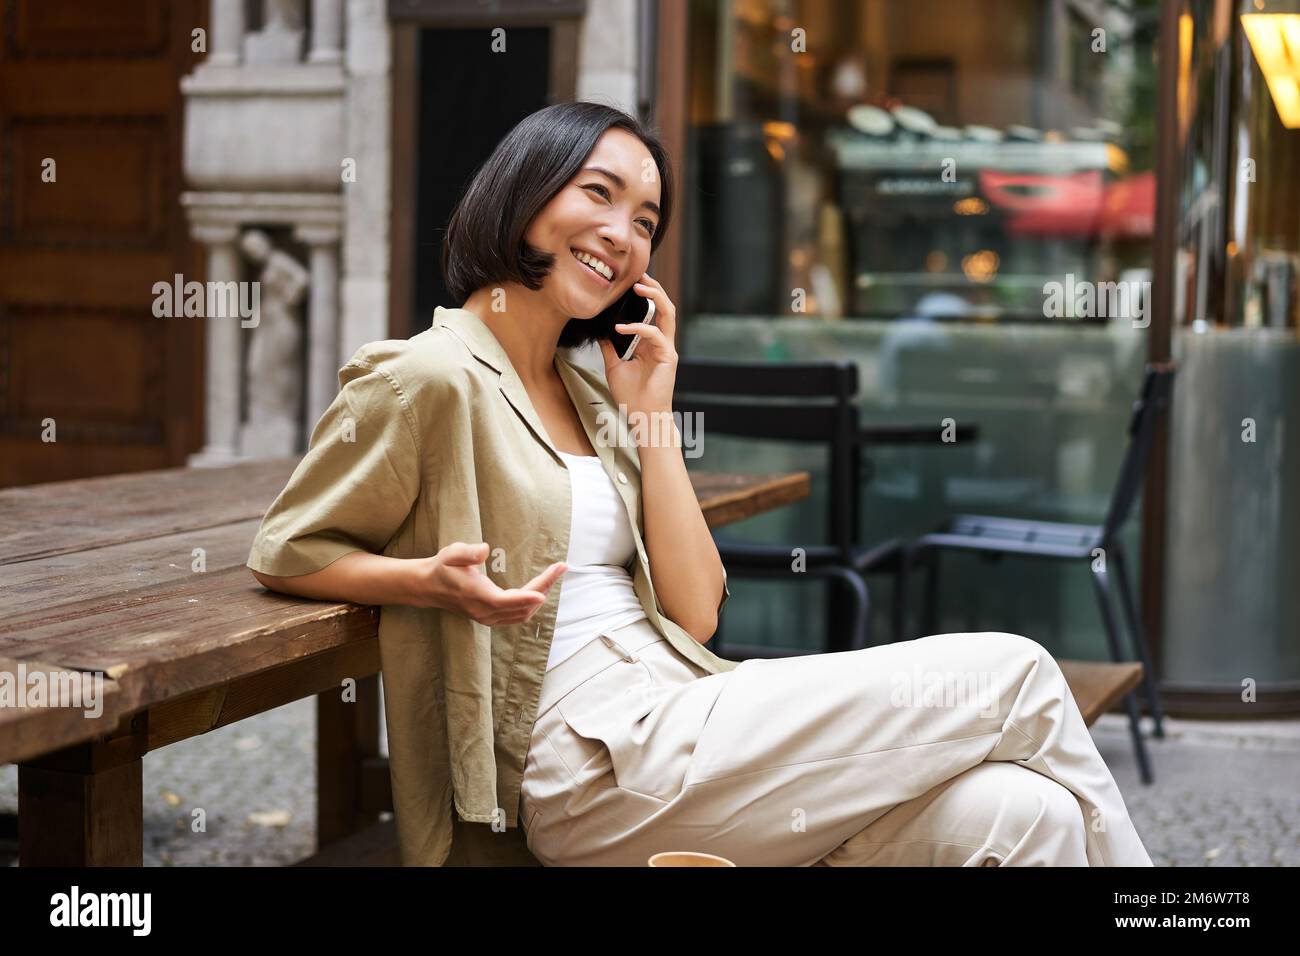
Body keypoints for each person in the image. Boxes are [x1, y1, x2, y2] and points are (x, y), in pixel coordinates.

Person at [246, 101, 1154, 867]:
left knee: (1018, 814)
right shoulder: (429, 376)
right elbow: (288, 548)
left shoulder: (598, 393)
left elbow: (696, 614)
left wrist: (652, 414)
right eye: (597, 194)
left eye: (644, 221)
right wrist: (426, 583)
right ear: (522, 195)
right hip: (585, 757)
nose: (622, 234)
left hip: (681, 703)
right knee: (1018, 671)